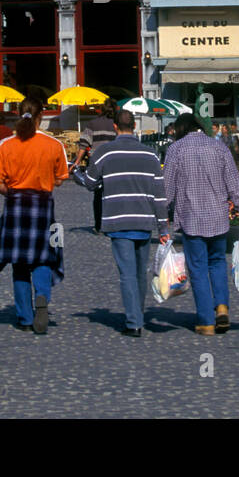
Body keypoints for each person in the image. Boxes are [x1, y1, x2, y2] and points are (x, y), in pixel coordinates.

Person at [0, 96, 69, 334]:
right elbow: (61, 179)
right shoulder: (53, 145)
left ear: (19, 114)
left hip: (16, 204)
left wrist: (11, 191)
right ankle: (42, 294)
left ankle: (24, 317)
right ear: (41, 115)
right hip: (42, 205)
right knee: (43, 256)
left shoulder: (6, 145)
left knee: (19, 263)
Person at [80, 109, 169, 337]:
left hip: (118, 221)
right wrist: (163, 227)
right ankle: (137, 314)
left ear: (115, 128)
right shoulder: (150, 155)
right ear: (135, 127)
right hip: (143, 221)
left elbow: (90, 182)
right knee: (140, 272)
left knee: (127, 273)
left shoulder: (104, 153)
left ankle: (134, 322)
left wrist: (77, 174)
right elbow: (159, 195)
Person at [164, 113, 239, 335]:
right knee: (217, 262)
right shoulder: (218, 147)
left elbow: (167, 189)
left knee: (198, 268)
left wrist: (161, 215)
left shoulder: (176, 150)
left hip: (192, 219)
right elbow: (233, 181)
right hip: (218, 218)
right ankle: (221, 306)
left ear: (181, 129)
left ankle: (206, 321)